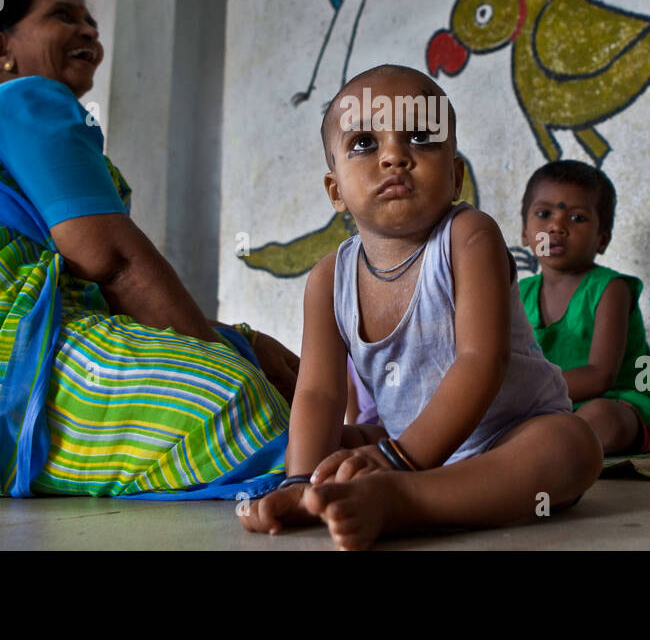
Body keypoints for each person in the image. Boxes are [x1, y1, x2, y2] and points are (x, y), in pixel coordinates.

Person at [0, 0, 295, 498]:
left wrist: (237, 341)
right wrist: (222, 358)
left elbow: (85, 289)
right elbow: (113, 263)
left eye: (92, 22)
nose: (89, 32)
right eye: (64, 16)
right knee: (231, 394)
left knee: (259, 355)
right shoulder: (21, 99)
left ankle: (320, 450)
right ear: (1, 48)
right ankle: (328, 467)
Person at [239, 65, 603, 549]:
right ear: (336, 192)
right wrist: (302, 480)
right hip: (400, 442)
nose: (394, 155)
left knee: (572, 446)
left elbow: (481, 360)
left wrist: (400, 461)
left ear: (455, 177)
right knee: (336, 446)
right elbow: (320, 394)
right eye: (365, 143)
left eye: (420, 137)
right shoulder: (328, 279)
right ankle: (334, 495)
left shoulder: (470, 237)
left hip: (508, 437)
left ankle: (403, 501)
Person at [518, 160, 650, 454]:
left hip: (615, 401)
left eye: (577, 218)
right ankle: (545, 448)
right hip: (542, 409)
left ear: (602, 239)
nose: (557, 226)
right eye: (544, 214)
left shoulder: (609, 289)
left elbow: (600, 376)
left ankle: (542, 450)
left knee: (601, 419)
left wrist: (525, 394)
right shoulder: (516, 295)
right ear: (525, 233)